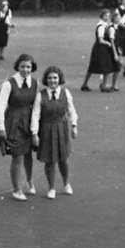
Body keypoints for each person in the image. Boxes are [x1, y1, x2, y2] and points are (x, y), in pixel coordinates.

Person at [0, 53, 39, 201]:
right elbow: (0, 106)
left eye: (28, 67)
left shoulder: (35, 83)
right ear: (17, 67)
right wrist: (0, 127)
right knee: (17, 155)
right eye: (22, 66)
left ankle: (29, 181)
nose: (25, 70)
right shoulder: (9, 84)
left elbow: (36, 105)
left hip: (29, 121)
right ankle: (16, 189)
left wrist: (35, 129)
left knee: (28, 154)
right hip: (13, 121)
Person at [31, 65, 78, 199]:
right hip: (46, 129)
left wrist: (74, 126)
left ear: (59, 79)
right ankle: (51, 188)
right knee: (49, 160)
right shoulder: (41, 95)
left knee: (63, 158)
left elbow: (71, 111)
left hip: (62, 128)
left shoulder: (65, 93)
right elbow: (35, 115)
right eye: (50, 78)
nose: (53, 80)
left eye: (55, 78)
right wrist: (34, 134)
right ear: (46, 79)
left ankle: (66, 183)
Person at [80, 10, 120, 92]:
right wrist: (108, 43)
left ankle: (84, 84)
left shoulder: (104, 25)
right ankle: (103, 86)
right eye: (105, 16)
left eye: (108, 16)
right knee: (106, 67)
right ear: (102, 16)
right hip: (100, 49)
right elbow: (100, 40)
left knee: (92, 67)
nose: (107, 17)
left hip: (100, 48)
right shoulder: (101, 26)